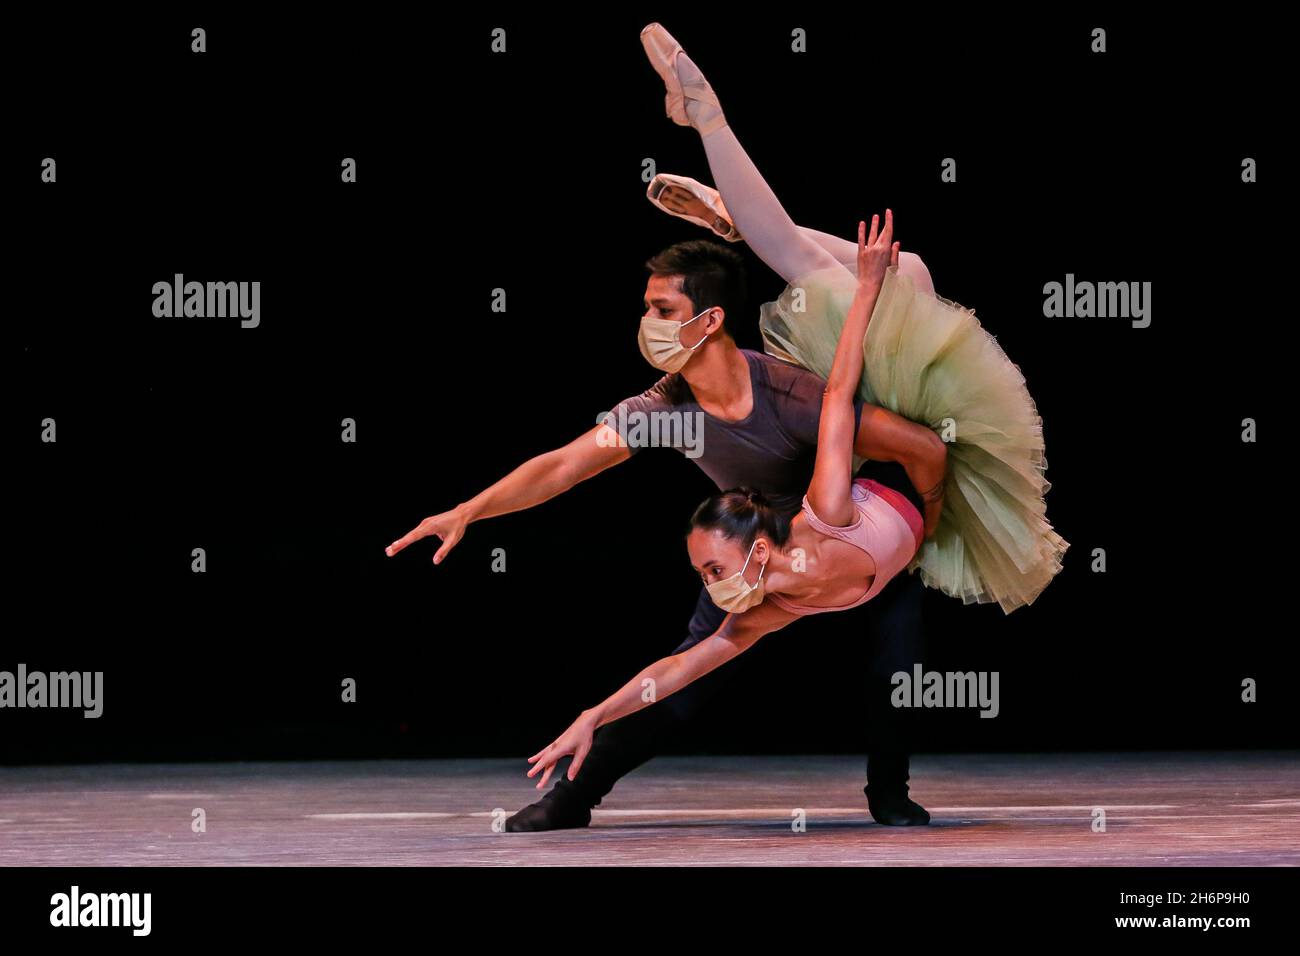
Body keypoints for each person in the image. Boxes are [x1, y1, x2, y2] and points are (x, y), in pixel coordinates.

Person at [385, 241, 946, 831]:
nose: (646, 324)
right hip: (744, 552)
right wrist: (470, 510)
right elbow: (562, 466)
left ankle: (889, 792)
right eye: (645, 308)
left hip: (843, 531)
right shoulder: (665, 408)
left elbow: (918, 447)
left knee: (898, 664)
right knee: (682, 678)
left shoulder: (791, 394)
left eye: (662, 310)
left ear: (709, 320)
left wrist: (929, 523)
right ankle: (572, 798)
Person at [639, 22, 1069, 613]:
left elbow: (847, 407)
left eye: (712, 570)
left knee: (820, 262)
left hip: (898, 399)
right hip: (922, 405)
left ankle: (711, 126)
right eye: (713, 572)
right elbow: (881, 433)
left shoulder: (811, 534)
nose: (715, 581)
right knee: (892, 265)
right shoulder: (812, 560)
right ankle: (731, 193)